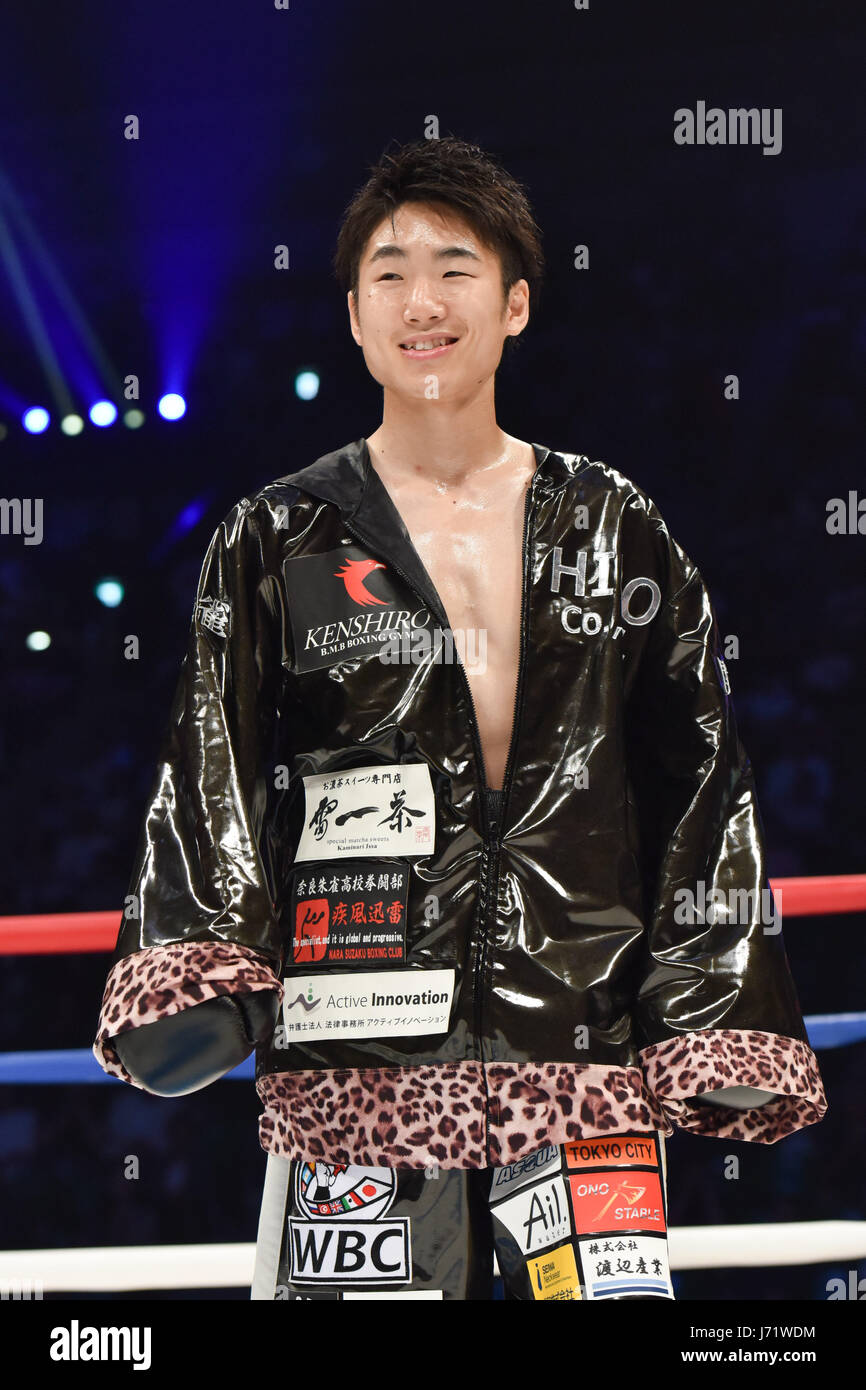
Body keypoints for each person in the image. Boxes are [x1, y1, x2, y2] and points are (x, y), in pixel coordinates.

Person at [93, 136, 827, 1301]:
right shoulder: (277, 534)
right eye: (388, 271)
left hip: (578, 1044)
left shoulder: (611, 521)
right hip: (353, 1049)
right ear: (352, 312)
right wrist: (194, 963)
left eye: (453, 266)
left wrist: (707, 1002)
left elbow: (698, 768)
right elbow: (209, 759)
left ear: (515, 302)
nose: (420, 300)